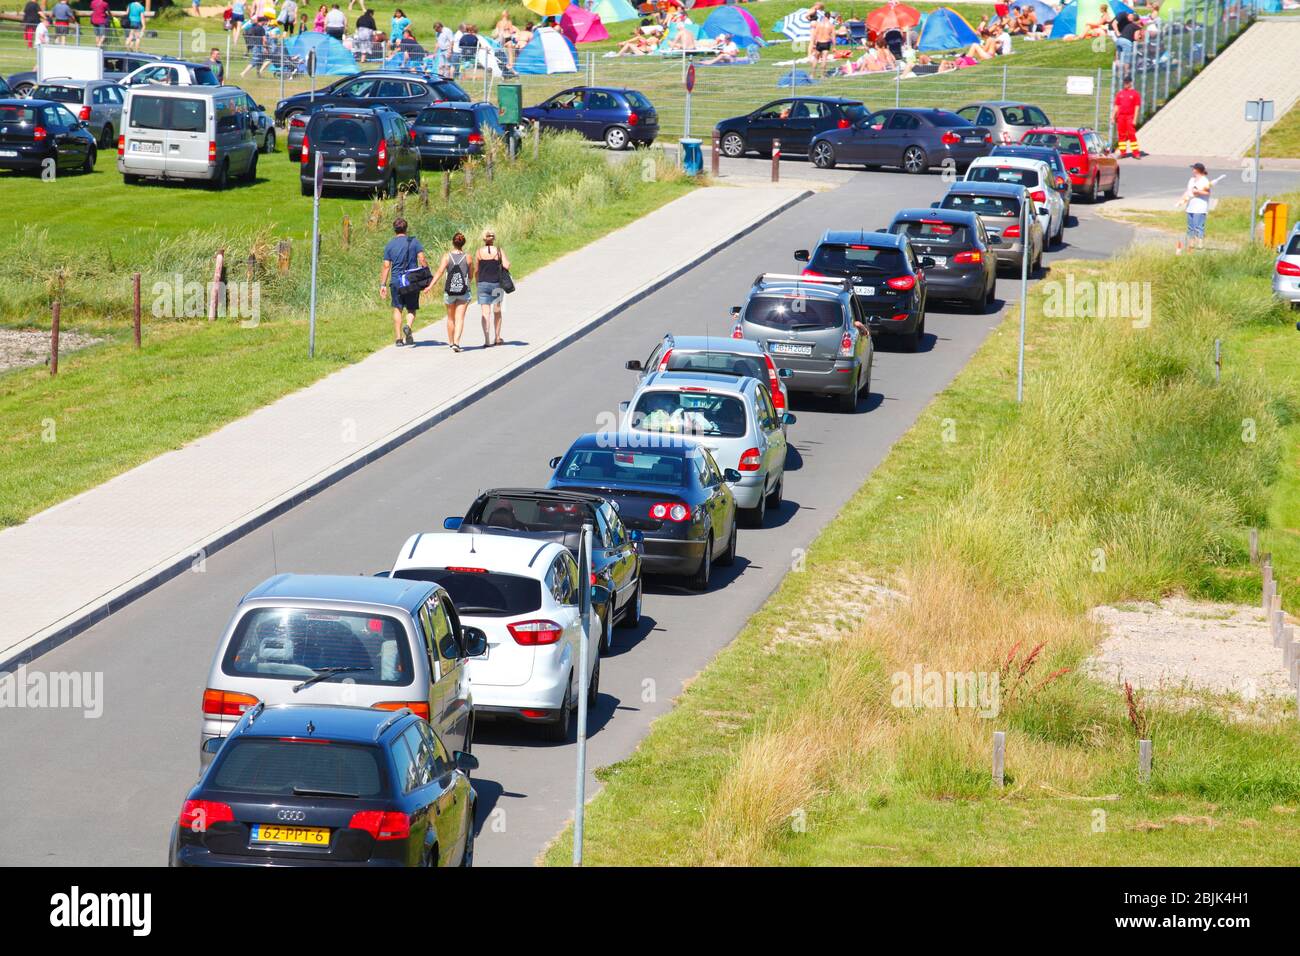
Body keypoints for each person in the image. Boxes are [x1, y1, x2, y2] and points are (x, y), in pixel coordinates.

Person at [380, 219, 430, 348]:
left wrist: (383, 284)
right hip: (411, 280)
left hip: (396, 280)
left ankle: (398, 339)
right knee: (411, 308)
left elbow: (386, 266)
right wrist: (426, 272)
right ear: (406, 229)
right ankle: (407, 326)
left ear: (394, 229)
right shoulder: (414, 242)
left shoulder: (390, 245)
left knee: (397, 308)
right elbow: (422, 258)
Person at [429, 232, 474, 352]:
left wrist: (430, 286)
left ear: (453, 243)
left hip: (449, 291)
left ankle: (450, 342)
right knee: (460, 318)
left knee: (450, 318)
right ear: (463, 244)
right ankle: (457, 343)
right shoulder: (468, 257)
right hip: (463, 291)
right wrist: (466, 282)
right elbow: (471, 275)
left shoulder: (447, 256)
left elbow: (439, 272)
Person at [475, 230, 511, 347]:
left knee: (485, 313)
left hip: (483, 283)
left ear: (484, 239)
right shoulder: (499, 251)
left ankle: (486, 340)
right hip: (496, 284)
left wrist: (477, 282)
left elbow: (476, 270)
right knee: (497, 311)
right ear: (493, 239)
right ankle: (497, 337)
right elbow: (507, 265)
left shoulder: (479, 252)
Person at [1179, 163, 1212, 251]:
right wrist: (1182, 199)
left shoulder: (1205, 181)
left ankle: (1200, 243)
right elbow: (1188, 191)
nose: (1192, 170)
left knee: (1198, 226)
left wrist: (1198, 192)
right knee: (1191, 226)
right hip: (1191, 206)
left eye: (1194, 168)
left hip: (1200, 207)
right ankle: (1191, 242)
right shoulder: (1192, 180)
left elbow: (1207, 193)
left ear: (1197, 170)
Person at [1112, 76, 1143, 158]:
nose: (1125, 84)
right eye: (1125, 82)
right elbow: (1116, 106)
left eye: (1127, 82)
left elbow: (1137, 107)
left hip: (1130, 116)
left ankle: (1136, 153)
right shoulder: (1120, 93)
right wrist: (1112, 116)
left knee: (1131, 134)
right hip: (1121, 117)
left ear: (1130, 83)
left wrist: (1135, 119)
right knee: (1121, 135)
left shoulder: (1135, 94)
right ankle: (1123, 153)